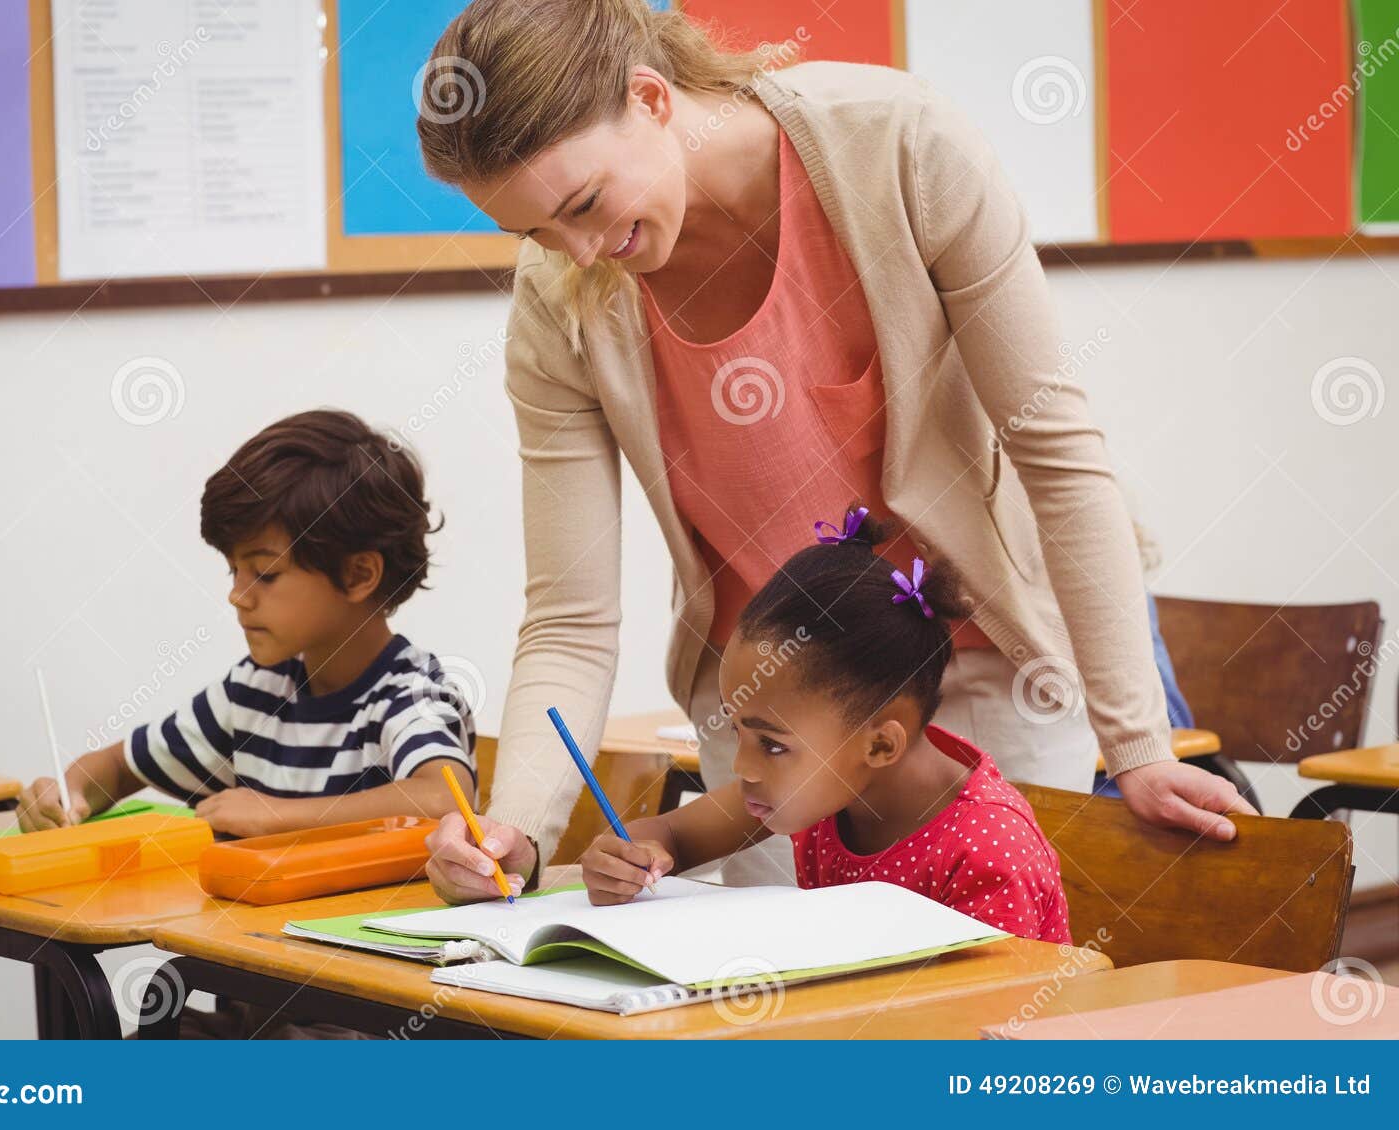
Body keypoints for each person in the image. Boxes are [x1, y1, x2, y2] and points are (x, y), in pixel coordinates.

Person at [415, 0, 1252, 903]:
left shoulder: (897, 145)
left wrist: (1137, 746)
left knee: (972, 1003)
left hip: (976, 670)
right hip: (769, 708)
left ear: (651, 99)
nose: (576, 253)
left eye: (583, 205)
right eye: (534, 232)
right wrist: (518, 832)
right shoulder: (562, 298)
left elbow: (1056, 453)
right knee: (788, 1020)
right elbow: (571, 616)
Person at [581, 510, 1069, 944]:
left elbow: (990, 1027)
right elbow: (674, 835)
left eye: (771, 745)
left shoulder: (987, 850)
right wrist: (629, 858)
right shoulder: (830, 787)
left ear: (880, 744)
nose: (742, 767)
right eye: (737, 731)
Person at [16, 410, 476, 840]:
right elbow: (119, 766)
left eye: (266, 573)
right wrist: (69, 792)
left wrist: (277, 815)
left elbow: (443, 800)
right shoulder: (255, 691)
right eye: (233, 570)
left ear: (358, 575)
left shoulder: (413, 692)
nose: (237, 595)